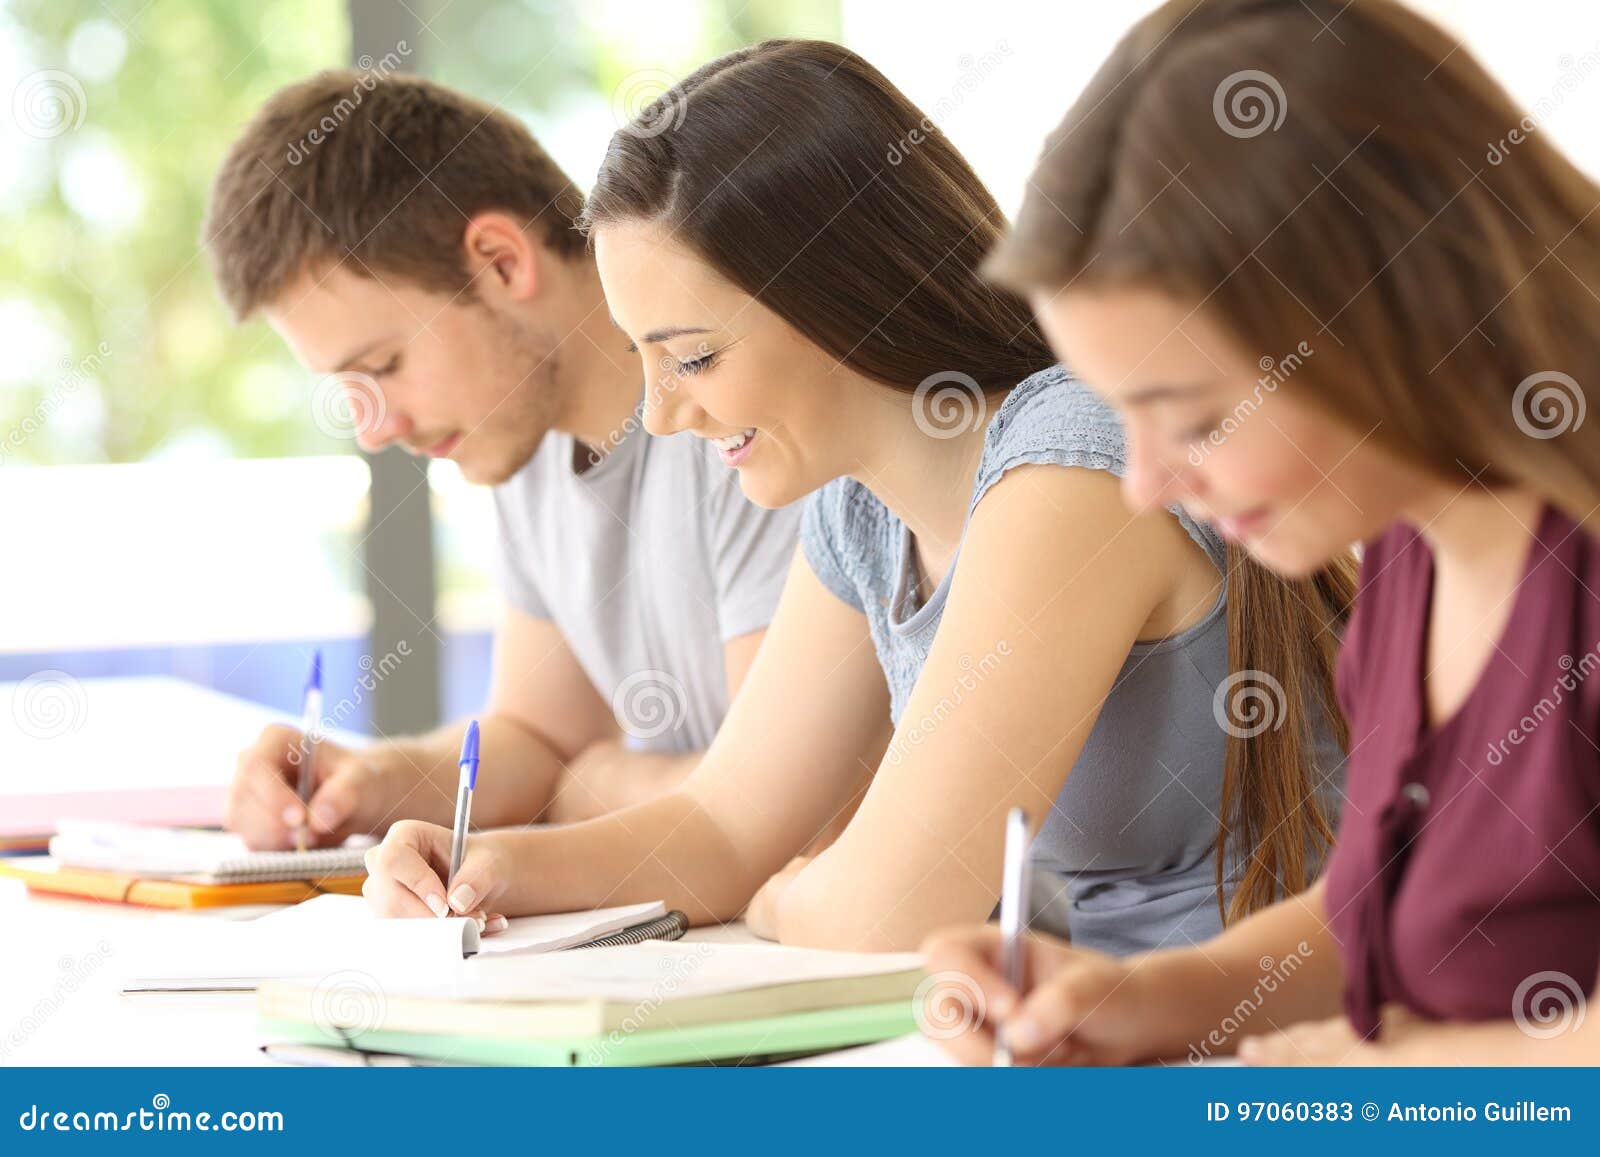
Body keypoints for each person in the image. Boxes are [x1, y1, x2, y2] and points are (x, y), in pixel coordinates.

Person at [360, 40, 1352, 953]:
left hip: (1261, 1053)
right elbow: (724, 822)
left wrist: (777, 887)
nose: (662, 416)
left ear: (839, 296)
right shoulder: (859, 512)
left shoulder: (1068, 467)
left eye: (693, 356)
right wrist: (487, 863)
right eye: (644, 359)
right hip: (1096, 1035)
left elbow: (885, 911)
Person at [925, 0, 1600, 1064]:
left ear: (1389, 313)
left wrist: (1408, 1071)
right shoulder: (1409, 548)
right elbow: (1381, 913)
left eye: (1193, 418)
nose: (1145, 484)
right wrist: (1141, 998)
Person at [202, 72, 800, 855]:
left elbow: (786, 804)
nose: (374, 431)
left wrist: (590, 784)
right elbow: (540, 740)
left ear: (499, 261)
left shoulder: (732, 413)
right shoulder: (527, 439)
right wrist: (370, 781)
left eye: (381, 366)